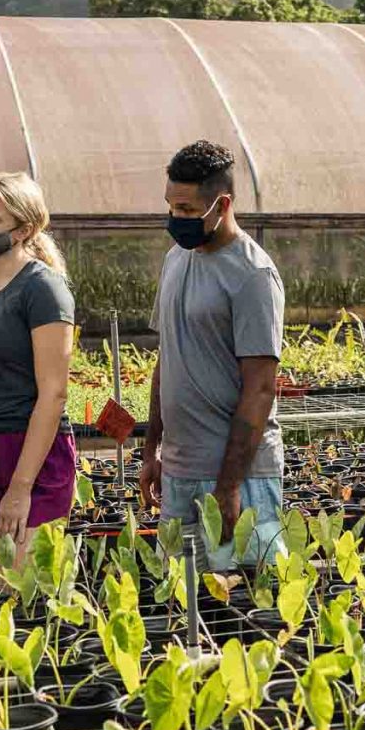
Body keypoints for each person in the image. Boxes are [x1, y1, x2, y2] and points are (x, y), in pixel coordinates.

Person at [142, 140, 286, 571]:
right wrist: (152, 451)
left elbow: (260, 388)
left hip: (240, 477)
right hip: (180, 472)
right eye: (171, 207)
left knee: (245, 613)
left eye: (187, 211)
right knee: (183, 611)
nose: (175, 219)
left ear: (221, 204)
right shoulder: (175, 259)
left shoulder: (252, 275)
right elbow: (167, 360)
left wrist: (228, 487)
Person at [0, 173, 78, 571]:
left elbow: (54, 393)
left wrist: (21, 486)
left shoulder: (42, 289)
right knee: (6, 584)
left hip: (30, 452)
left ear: (23, 230)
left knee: (28, 586)